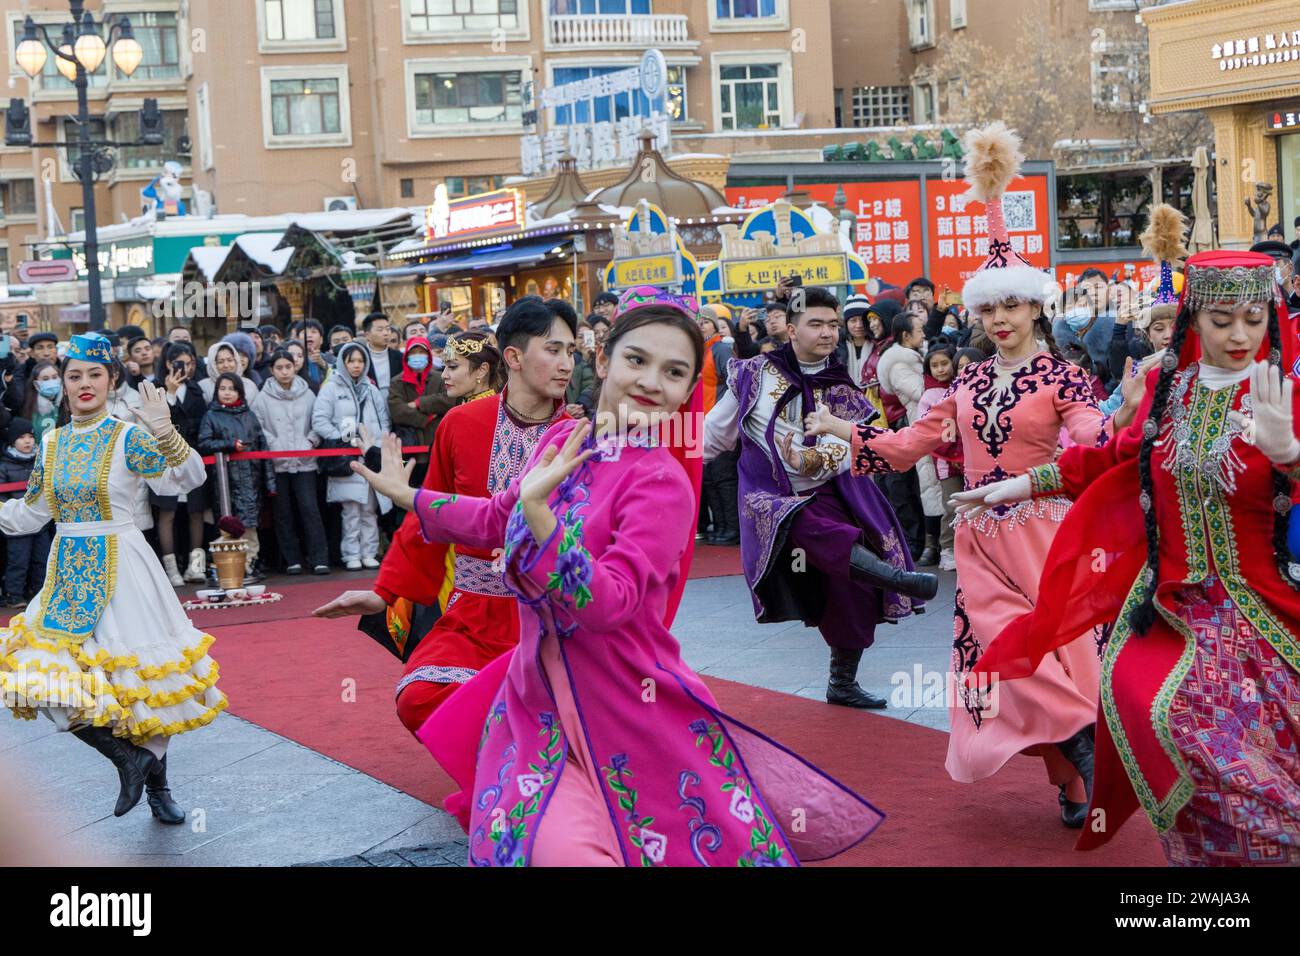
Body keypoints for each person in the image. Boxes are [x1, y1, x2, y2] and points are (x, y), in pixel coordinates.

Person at [351, 292, 884, 866]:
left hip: (629, 711)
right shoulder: (562, 442)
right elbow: (494, 515)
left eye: (675, 372)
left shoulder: (661, 483)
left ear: (687, 392)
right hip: (537, 708)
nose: (652, 381)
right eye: (637, 360)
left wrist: (544, 525)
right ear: (603, 360)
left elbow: (611, 603)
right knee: (535, 846)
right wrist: (410, 497)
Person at [807, 123, 1141, 826]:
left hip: (1049, 536)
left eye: (1011, 305)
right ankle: (1079, 746)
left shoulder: (1064, 378)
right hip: (981, 543)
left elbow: (1090, 442)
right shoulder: (965, 383)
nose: (998, 319)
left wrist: (1121, 415)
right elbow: (907, 446)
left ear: (1036, 307)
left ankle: (1076, 777)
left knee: (1053, 657)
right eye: (988, 307)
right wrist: (846, 433)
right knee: (1002, 658)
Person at [967, 250, 1300, 866]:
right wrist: (1020, 483)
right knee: (1175, 729)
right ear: (1194, 320)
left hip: (1269, 615)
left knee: (1260, 765)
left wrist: (1292, 456)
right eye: (1222, 318)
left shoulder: (1286, 394)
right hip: (1171, 612)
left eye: (1253, 318)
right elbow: (1118, 455)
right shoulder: (1167, 394)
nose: (1238, 334)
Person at [314, 300, 573, 735]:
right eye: (553, 350)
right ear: (512, 357)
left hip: (553, 615)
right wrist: (387, 593)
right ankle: (508, 769)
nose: (566, 363)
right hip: (476, 611)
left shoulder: (578, 435)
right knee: (419, 698)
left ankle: (524, 773)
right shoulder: (460, 423)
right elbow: (428, 520)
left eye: (571, 351)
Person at [0, 335, 223, 825]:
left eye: (94, 375)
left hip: (125, 567)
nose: (84, 384)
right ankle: (127, 759)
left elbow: (183, 481)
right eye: (74, 375)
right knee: (41, 675)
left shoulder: (126, 436)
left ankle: (158, 788)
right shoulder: (53, 443)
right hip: (67, 572)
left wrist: (164, 429)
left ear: (112, 381)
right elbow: (32, 514)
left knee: (137, 684)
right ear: (61, 382)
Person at [704, 285, 936, 711]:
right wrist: (665, 465)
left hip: (825, 489)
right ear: (791, 329)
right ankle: (896, 577)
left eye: (833, 324)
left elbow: (854, 448)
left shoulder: (842, 386)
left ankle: (842, 682)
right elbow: (715, 434)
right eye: (816, 324)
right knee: (814, 527)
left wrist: (814, 458)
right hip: (768, 496)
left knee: (852, 590)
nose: (828, 332)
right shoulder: (751, 374)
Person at [312, 341, 391, 570]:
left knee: (370, 509)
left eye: (360, 361)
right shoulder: (331, 387)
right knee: (350, 510)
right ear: (343, 362)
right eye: (351, 361)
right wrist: (342, 438)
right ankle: (351, 554)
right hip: (346, 459)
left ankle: (370, 551)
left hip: (371, 457)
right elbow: (319, 420)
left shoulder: (372, 388)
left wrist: (377, 445)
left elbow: (384, 420)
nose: (356, 365)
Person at [251, 348, 328, 575]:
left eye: (288, 367)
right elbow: (259, 427)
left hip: (306, 460)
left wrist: (311, 441)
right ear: (271, 370)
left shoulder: (308, 394)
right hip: (277, 462)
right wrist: (274, 445)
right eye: (279, 368)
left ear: (295, 367)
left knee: (309, 508)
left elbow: (318, 420)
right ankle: (291, 559)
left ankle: (319, 558)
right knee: (282, 512)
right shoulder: (262, 398)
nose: (284, 372)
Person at [878, 308, 942, 566]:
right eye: (918, 330)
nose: (923, 334)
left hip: (920, 426)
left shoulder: (904, 357)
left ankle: (931, 544)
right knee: (925, 487)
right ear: (906, 335)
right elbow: (919, 392)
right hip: (919, 426)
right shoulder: (900, 362)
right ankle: (929, 544)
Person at [198, 373, 274, 582]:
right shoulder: (211, 415)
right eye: (223, 388)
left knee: (249, 527)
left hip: (251, 480)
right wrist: (229, 446)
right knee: (227, 525)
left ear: (239, 392)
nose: (227, 393)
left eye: (232, 388)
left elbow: (262, 446)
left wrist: (270, 482)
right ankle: (230, 569)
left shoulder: (249, 415)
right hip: (224, 482)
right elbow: (204, 443)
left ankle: (249, 565)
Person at [154, 342, 209, 586]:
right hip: (165, 459)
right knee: (168, 512)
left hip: (192, 457)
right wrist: (170, 393)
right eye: (179, 363)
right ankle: (171, 568)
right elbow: (159, 422)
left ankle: (195, 566)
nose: (184, 368)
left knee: (196, 511)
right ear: (168, 363)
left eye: (189, 364)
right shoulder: (156, 389)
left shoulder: (197, 391)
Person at [387, 335, 455, 484]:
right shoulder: (397, 382)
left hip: (436, 442)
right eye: (413, 353)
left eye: (422, 352)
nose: (418, 357)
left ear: (428, 356)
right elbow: (397, 411)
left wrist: (419, 403)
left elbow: (449, 400)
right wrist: (427, 418)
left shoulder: (440, 378)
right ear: (406, 356)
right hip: (409, 446)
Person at [698, 307, 739, 545]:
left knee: (724, 478)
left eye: (706, 321)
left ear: (714, 325)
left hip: (720, 424)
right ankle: (721, 526)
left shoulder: (720, 348)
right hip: (701, 424)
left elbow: (735, 379)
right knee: (709, 479)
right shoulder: (699, 352)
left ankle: (732, 528)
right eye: (699, 321)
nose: (702, 325)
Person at [0, 418, 51, 607]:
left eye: (30, 436)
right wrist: (10, 514)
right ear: (13, 441)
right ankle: (14, 595)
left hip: (40, 524)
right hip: (17, 526)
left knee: (42, 560)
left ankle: (41, 594)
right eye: (21, 437)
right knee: (18, 562)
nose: (27, 441)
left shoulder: (41, 461)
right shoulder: (4, 466)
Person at [917, 347, 959, 572]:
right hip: (945, 460)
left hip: (968, 457)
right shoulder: (928, 396)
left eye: (945, 363)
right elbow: (927, 430)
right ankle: (947, 549)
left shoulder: (960, 386)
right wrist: (949, 452)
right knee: (951, 505)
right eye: (935, 365)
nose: (941, 369)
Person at [361, 312, 403, 404]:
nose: (386, 333)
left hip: (395, 405)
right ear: (367, 335)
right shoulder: (360, 357)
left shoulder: (399, 357)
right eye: (380, 330)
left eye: (388, 329)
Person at [21, 362, 63, 444]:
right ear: (36, 384)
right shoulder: (29, 407)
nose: (51, 382)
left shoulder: (69, 403)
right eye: (45, 379)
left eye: (54, 377)